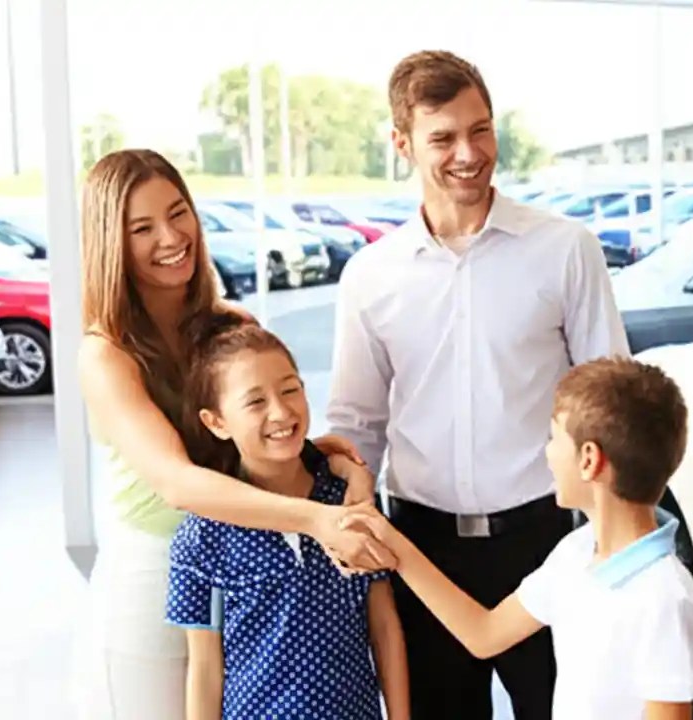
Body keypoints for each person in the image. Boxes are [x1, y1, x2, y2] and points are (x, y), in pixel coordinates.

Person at [326, 50, 630, 719]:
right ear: (402, 144)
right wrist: (350, 520)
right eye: (443, 138)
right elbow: (357, 426)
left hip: (545, 540)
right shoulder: (371, 276)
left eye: (481, 130)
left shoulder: (564, 249)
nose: (469, 154)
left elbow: (613, 404)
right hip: (421, 548)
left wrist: (615, 540)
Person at [73, 149, 393, 718]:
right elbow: (177, 483)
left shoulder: (232, 326)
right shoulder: (106, 354)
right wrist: (318, 520)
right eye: (142, 228)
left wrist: (334, 462)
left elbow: (258, 442)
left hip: (247, 554)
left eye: (178, 213)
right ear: (111, 243)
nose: (171, 237)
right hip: (152, 573)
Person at [344, 357, 693, 720]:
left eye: (554, 439)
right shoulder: (576, 553)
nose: (547, 454)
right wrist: (391, 542)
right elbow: (484, 634)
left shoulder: (665, 598)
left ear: (589, 460)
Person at [165, 313, 408, 720]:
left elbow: (384, 626)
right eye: (255, 401)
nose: (280, 412)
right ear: (216, 422)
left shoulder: (350, 499)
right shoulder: (201, 536)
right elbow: (205, 669)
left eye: (290, 390)